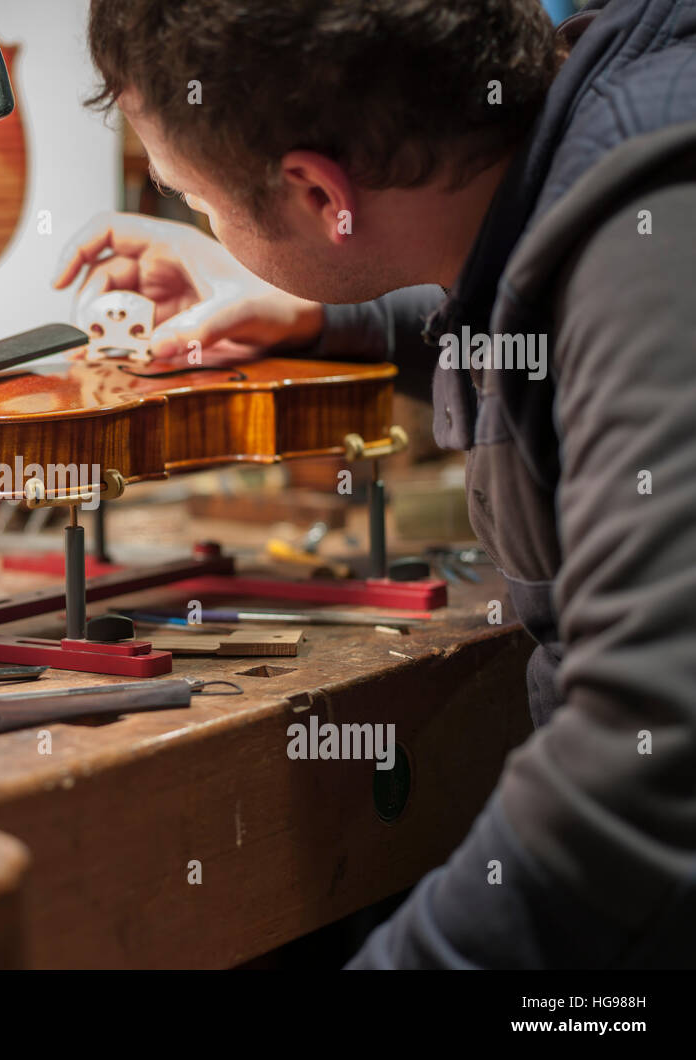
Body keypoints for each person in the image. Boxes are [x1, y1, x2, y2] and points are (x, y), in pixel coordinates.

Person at [54, 0, 696, 967]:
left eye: (196, 200)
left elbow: (651, 760)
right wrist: (309, 314)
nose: (199, 222)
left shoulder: (649, 241)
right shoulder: (581, 140)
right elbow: (529, 323)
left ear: (318, 193)